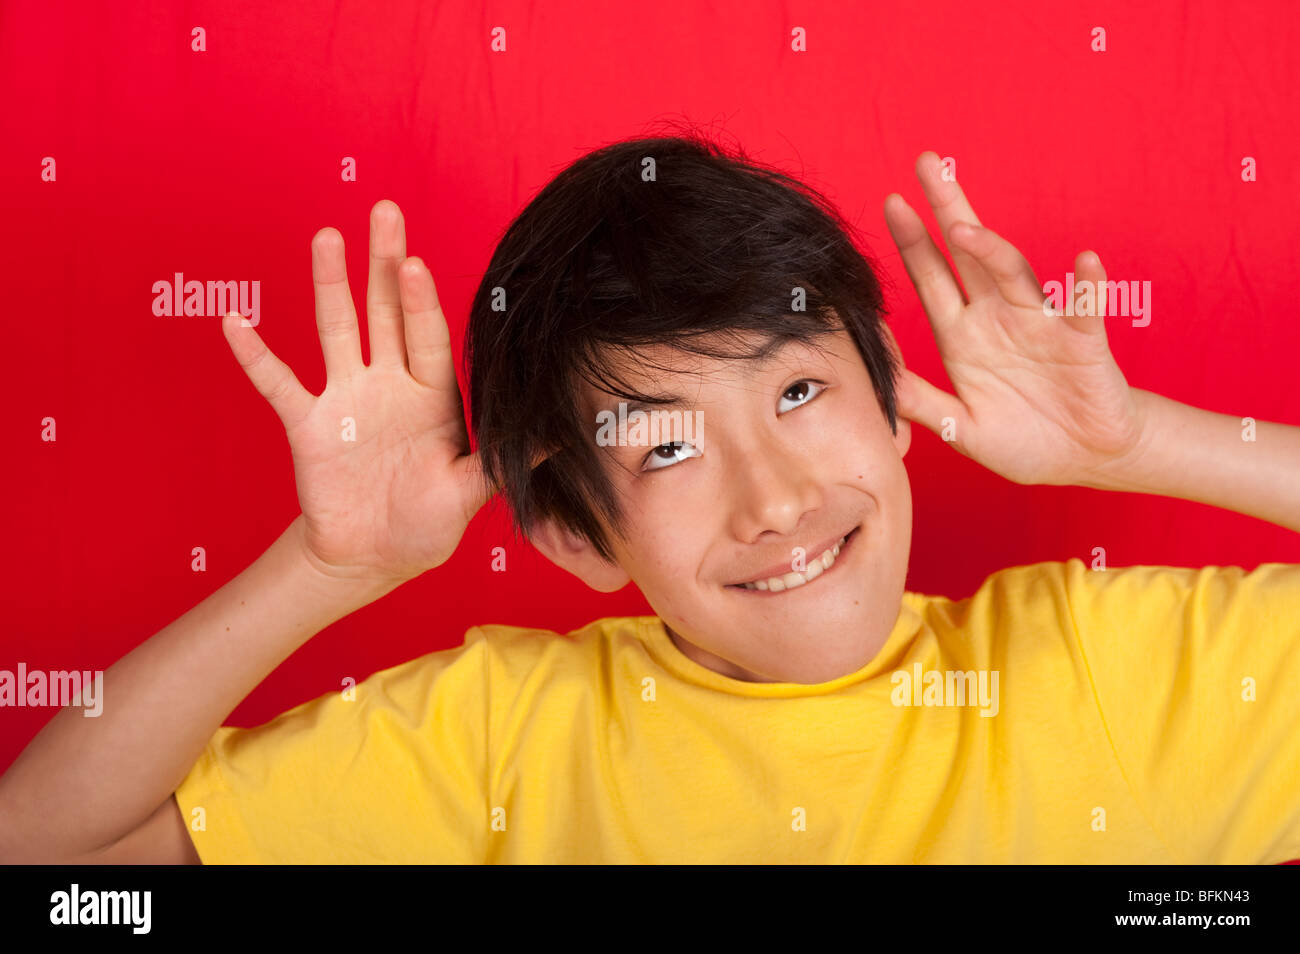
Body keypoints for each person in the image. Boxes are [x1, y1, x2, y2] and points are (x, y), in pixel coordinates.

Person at [2, 133, 1297, 863]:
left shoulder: (1108, 674)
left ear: (894, 395)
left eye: (797, 395)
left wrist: (1140, 446)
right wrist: (324, 571)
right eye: (666, 449)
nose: (776, 495)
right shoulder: (495, 738)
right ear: (576, 532)